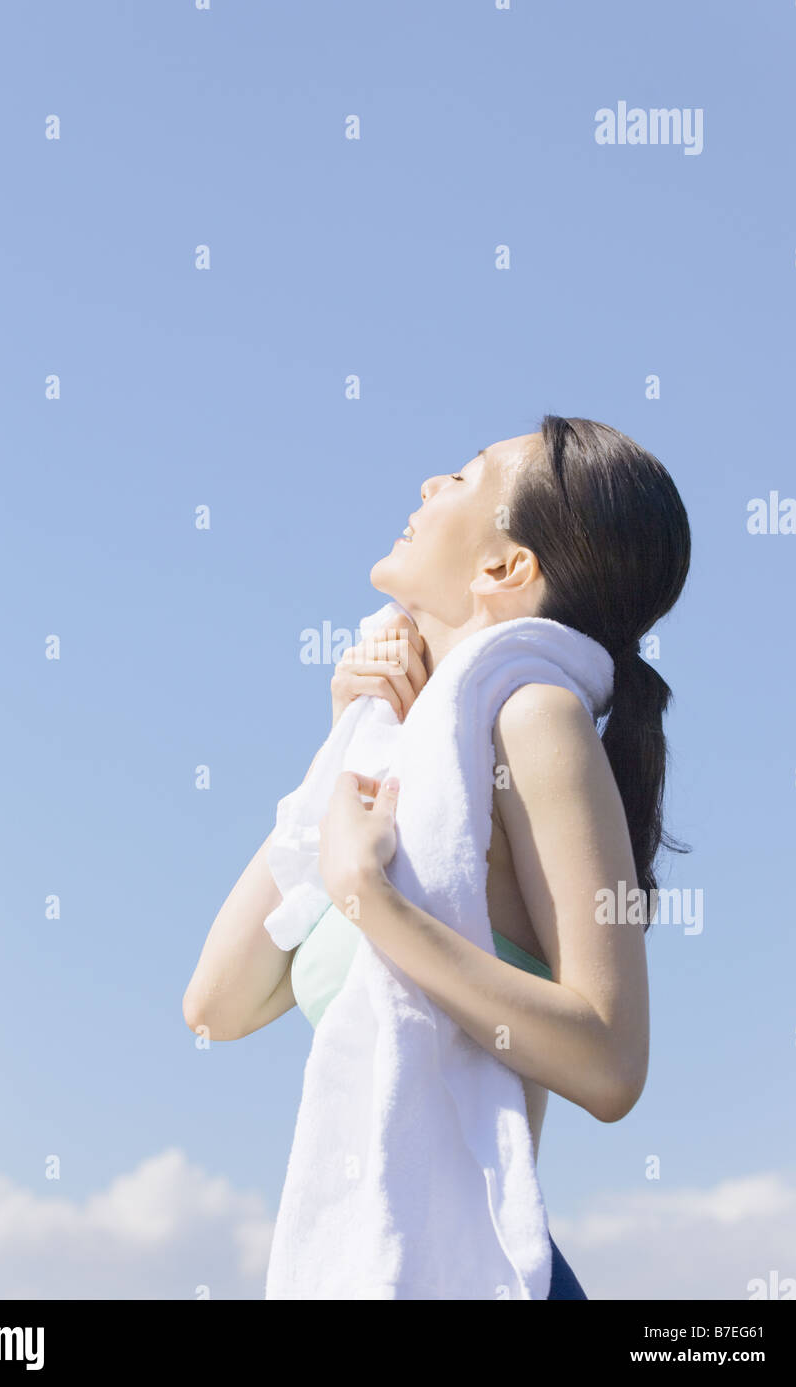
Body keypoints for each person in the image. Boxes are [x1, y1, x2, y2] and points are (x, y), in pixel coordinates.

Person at [182, 414, 692, 1299]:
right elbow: (213, 1007)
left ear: (505, 568)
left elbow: (612, 1067)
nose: (427, 486)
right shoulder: (412, 756)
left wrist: (369, 899)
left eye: (462, 479)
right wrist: (345, 744)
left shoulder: (535, 715)